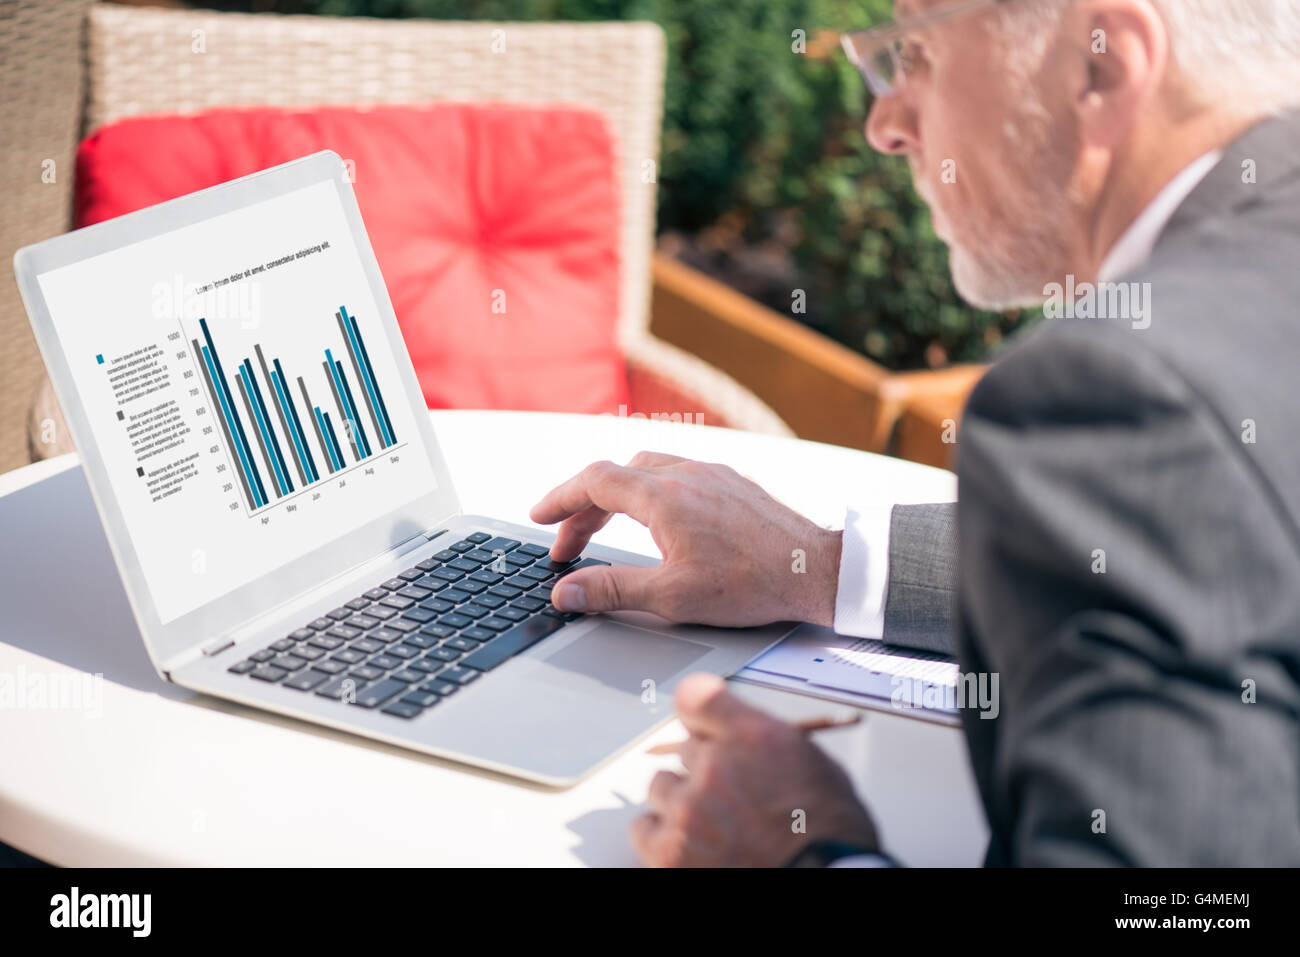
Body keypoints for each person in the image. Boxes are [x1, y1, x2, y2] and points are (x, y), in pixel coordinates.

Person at [530, 0, 1300, 866]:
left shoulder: (1122, 389)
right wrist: (818, 564)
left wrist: (805, 848)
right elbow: (1206, 542)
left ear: (1102, 67)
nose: (884, 123)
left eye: (917, 55)